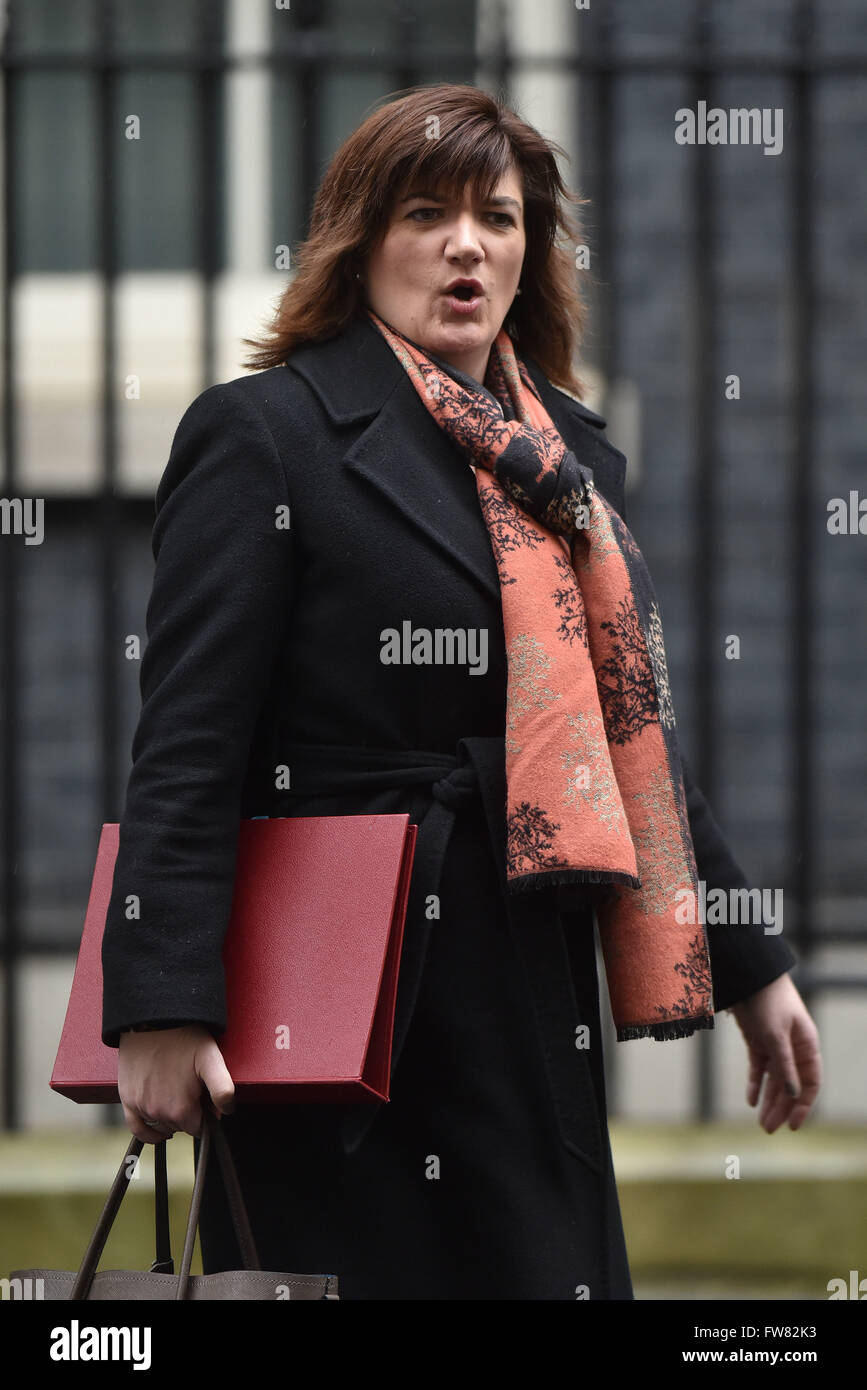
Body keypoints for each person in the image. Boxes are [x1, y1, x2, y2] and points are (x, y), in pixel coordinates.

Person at [101, 83, 822, 1300]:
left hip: (529, 994)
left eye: (496, 215)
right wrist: (160, 1002)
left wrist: (746, 953)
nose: (465, 244)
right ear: (359, 240)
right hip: (344, 1017)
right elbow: (185, 742)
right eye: (425, 212)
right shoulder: (265, 437)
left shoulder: (560, 459)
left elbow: (619, 727)